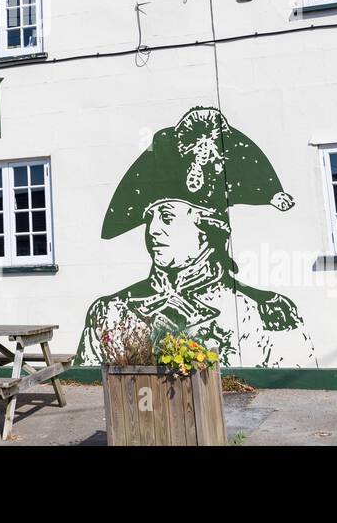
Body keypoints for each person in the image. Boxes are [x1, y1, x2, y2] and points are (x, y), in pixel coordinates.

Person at [77, 107, 315, 368]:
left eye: (166, 217)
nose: (153, 230)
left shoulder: (264, 312)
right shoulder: (110, 311)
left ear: (208, 227)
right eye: (149, 218)